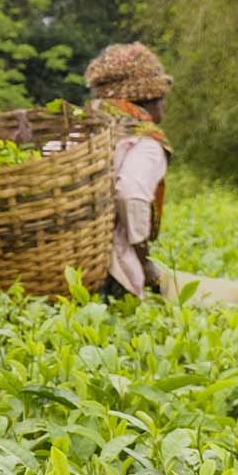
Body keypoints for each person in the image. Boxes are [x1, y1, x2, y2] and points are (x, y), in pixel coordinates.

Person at [86, 42, 171, 298]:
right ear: (150, 99)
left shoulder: (83, 130)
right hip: (109, 271)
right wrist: (143, 258)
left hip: (66, 261)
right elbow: (131, 194)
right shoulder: (145, 143)